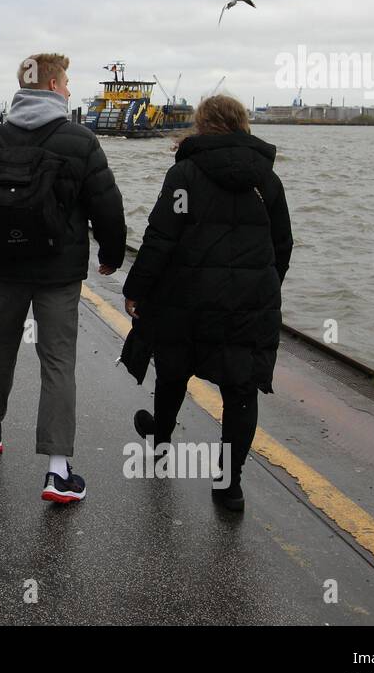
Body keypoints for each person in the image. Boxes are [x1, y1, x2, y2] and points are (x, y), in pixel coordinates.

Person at [0, 53, 126, 505]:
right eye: (66, 82)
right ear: (51, 83)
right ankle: (57, 470)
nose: (69, 90)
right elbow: (107, 204)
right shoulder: (81, 141)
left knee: (0, 347)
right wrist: (111, 253)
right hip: (58, 273)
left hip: (5, 269)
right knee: (57, 361)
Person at [119, 94, 293, 512]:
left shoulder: (184, 174)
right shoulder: (267, 179)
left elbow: (161, 238)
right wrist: (261, 287)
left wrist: (136, 290)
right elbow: (282, 245)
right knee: (240, 389)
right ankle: (228, 484)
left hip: (185, 297)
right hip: (247, 305)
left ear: (202, 125)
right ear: (241, 123)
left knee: (174, 371)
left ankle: (161, 446)